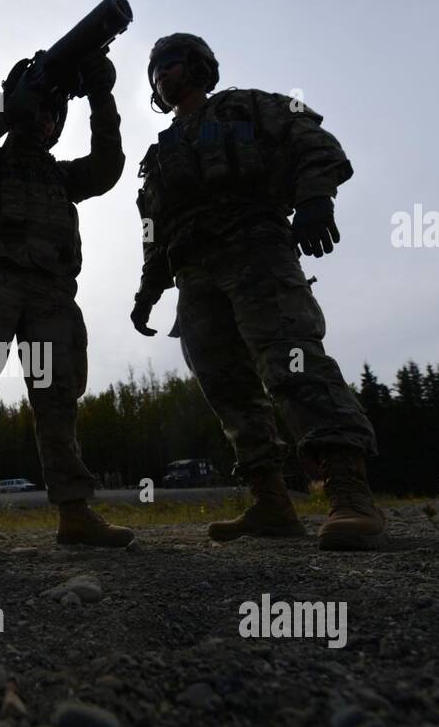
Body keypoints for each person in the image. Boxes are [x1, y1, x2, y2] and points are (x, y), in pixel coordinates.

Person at [131, 33, 387, 551]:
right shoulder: (159, 153)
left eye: (171, 63)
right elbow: (154, 226)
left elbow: (312, 138)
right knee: (227, 388)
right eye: (155, 70)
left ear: (199, 67)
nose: (162, 75)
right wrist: (148, 288)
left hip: (256, 248)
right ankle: (271, 501)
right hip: (194, 275)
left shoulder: (247, 105)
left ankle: (349, 492)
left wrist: (315, 199)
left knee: (291, 362)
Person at [0, 49, 134, 551]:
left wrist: (102, 97)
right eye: (36, 109)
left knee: (58, 399)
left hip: (50, 294)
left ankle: (75, 513)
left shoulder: (59, 176)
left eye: (52, 115)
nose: (43, 121)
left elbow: (107, 167)